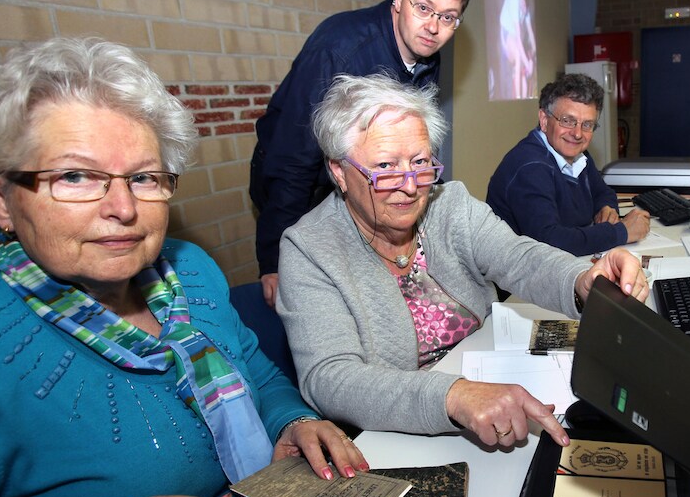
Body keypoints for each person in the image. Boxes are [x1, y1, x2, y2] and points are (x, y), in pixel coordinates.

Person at [0, 37, 365, 497]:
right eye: (74, 176)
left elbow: (255, 370)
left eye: (143, 177)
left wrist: (292, 422)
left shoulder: (191, 269)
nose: (122, 207)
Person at [277, 74, 649, 449]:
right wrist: (453, 396)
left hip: (491, 398)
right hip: (391, 437)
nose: (410, 185)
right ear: (339, 171)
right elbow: (331, 377)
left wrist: (581, 280)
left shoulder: (449, 204)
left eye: (421, 162)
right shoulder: (309, 248)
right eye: (386, 167)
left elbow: (519, 256)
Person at [250, 0, 473, 308]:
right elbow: (291, 159)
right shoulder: (340, 50)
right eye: (424, 8)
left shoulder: (423, 53)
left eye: (449, 17)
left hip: (356, 185)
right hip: (302, 189)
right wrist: (275, 259)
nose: (433, 27)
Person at [486, 73, 651, 256]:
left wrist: (605, 208)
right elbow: (550, 241)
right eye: (567, 121)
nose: (578, 133)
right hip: (526, 277)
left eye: (587, 124)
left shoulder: (576, 154)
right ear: (544, 120)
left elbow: (602, 192)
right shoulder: (530, 167)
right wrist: (622, 232)